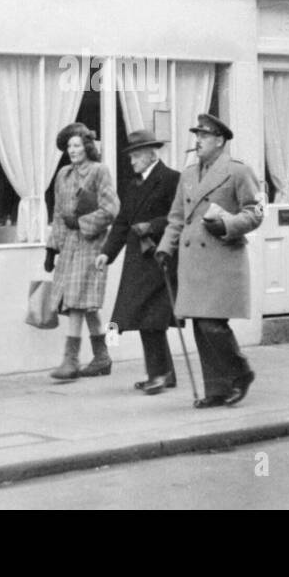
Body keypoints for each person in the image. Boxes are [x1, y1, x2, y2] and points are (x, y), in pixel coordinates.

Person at [155, 113, 264, 408]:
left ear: (219, 140)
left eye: (204, 136)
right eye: (197, 135)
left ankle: (240, 372)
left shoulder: (238, 172)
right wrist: (165, 247)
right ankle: (216, 389)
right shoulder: (189, 174)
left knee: (212, 324)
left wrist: (228, 225)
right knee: (202, 326)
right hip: (192, 261)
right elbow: (176, 217)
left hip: (221, 259)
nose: (198, 141)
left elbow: (256, 212)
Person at [96, 130, 182, 395]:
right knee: (146, 317)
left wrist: (152, 226)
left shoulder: (171, 179)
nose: (131, 161)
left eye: (135, 156)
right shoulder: (133, 184)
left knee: (152, 317)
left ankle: (159, 374)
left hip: (160, 256)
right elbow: (122, 222)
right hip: (137, 260)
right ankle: (163, 373)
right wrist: (106, 253)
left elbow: (179, 217)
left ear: (150, 154)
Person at [44, 122, 120, 379]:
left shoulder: (99, 171)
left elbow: (111, 209)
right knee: (86, 304)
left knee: (75, 301)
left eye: (76, 145)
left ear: (87, 147)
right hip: (68, 247)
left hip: (91, 245)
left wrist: (83, 223)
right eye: (68, 146)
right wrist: (51, 248)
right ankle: (102, 357)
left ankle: (71, 361)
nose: (72, 150)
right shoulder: (63, 175)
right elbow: (56, 212)